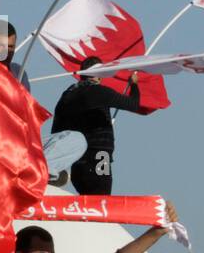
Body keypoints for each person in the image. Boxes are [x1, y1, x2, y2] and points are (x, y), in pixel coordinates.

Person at [50, 57, 141, 195]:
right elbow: (133, 104)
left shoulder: (68, 95)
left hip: (77, 161)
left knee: (86, 203)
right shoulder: (100, 92)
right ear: (99, 73)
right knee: (102, 201)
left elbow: (56, 130)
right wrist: (134, 84)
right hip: (100, 156)